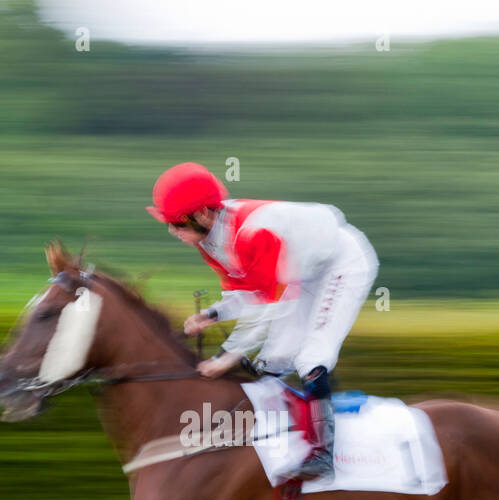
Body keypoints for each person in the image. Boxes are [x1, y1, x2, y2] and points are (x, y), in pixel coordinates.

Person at [148, 162, 379, 480]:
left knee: (311, 356)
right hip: (297, 275)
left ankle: (324, 455)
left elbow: (271, 306)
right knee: (272, 362)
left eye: (176, 223)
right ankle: (281, 433)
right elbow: (247, 294)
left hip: (340, 266)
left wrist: (226, 356)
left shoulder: (253, 233)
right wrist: (212, 314)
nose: (173, 231)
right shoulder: (208, 242)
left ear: (202, 214)